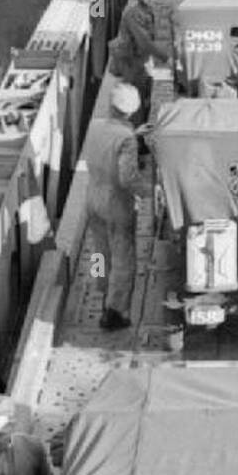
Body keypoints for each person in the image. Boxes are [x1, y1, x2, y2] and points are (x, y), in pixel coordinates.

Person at [84, 82, 154, 330]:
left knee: (99, 251)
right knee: (123, 257)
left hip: (92, 196)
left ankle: (101, 290)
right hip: (116, 202)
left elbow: (107, 145)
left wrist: (134, 134)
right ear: (132, 111)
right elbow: (127, 178)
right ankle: (114, 312)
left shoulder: (94, 127)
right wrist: (150, 191)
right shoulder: (126, 140)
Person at [113, 0, 172, 114]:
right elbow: (144, 42)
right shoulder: (133, 14)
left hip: (142, 62)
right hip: (133, 64)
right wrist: (166, 57)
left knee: (146, 97)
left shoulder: (148, 10)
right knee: (137, 102)